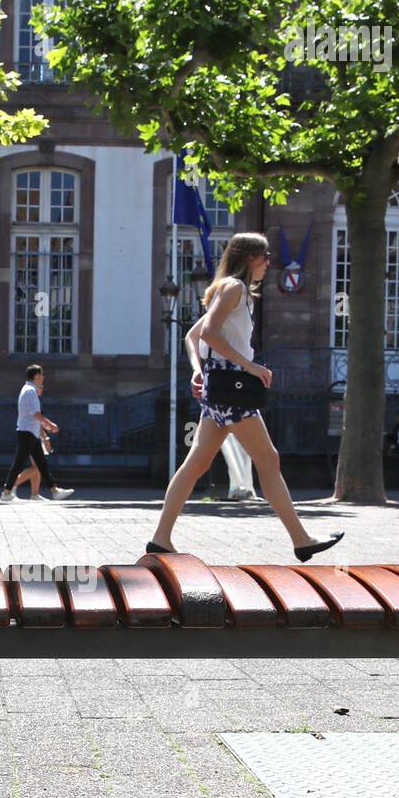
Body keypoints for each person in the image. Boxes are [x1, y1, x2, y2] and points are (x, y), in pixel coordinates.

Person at [147, 233, 343, 562]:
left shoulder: (231, 290)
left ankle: (161, 538)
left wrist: (198, 370)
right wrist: (249, 365)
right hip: (233, 389)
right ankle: (301, 539)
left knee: (196, 464)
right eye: (264, 257)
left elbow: (192, 336)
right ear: (249, 257)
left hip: (219, 389)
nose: (268, 263)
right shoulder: (234, 288)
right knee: (268, 460)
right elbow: (206, 333)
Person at [0, 365, 74, 502]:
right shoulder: (30, 391)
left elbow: (34, 415)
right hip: (27, 432)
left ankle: (54, 491)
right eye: (42, 375)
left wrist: (44, 433)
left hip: (30, 433)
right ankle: (6, 492)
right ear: (37, 376)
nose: (43, 378)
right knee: (19, 463)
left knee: (41, 464)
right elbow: (36, 414)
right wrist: (50, 425)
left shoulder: (28, 390)